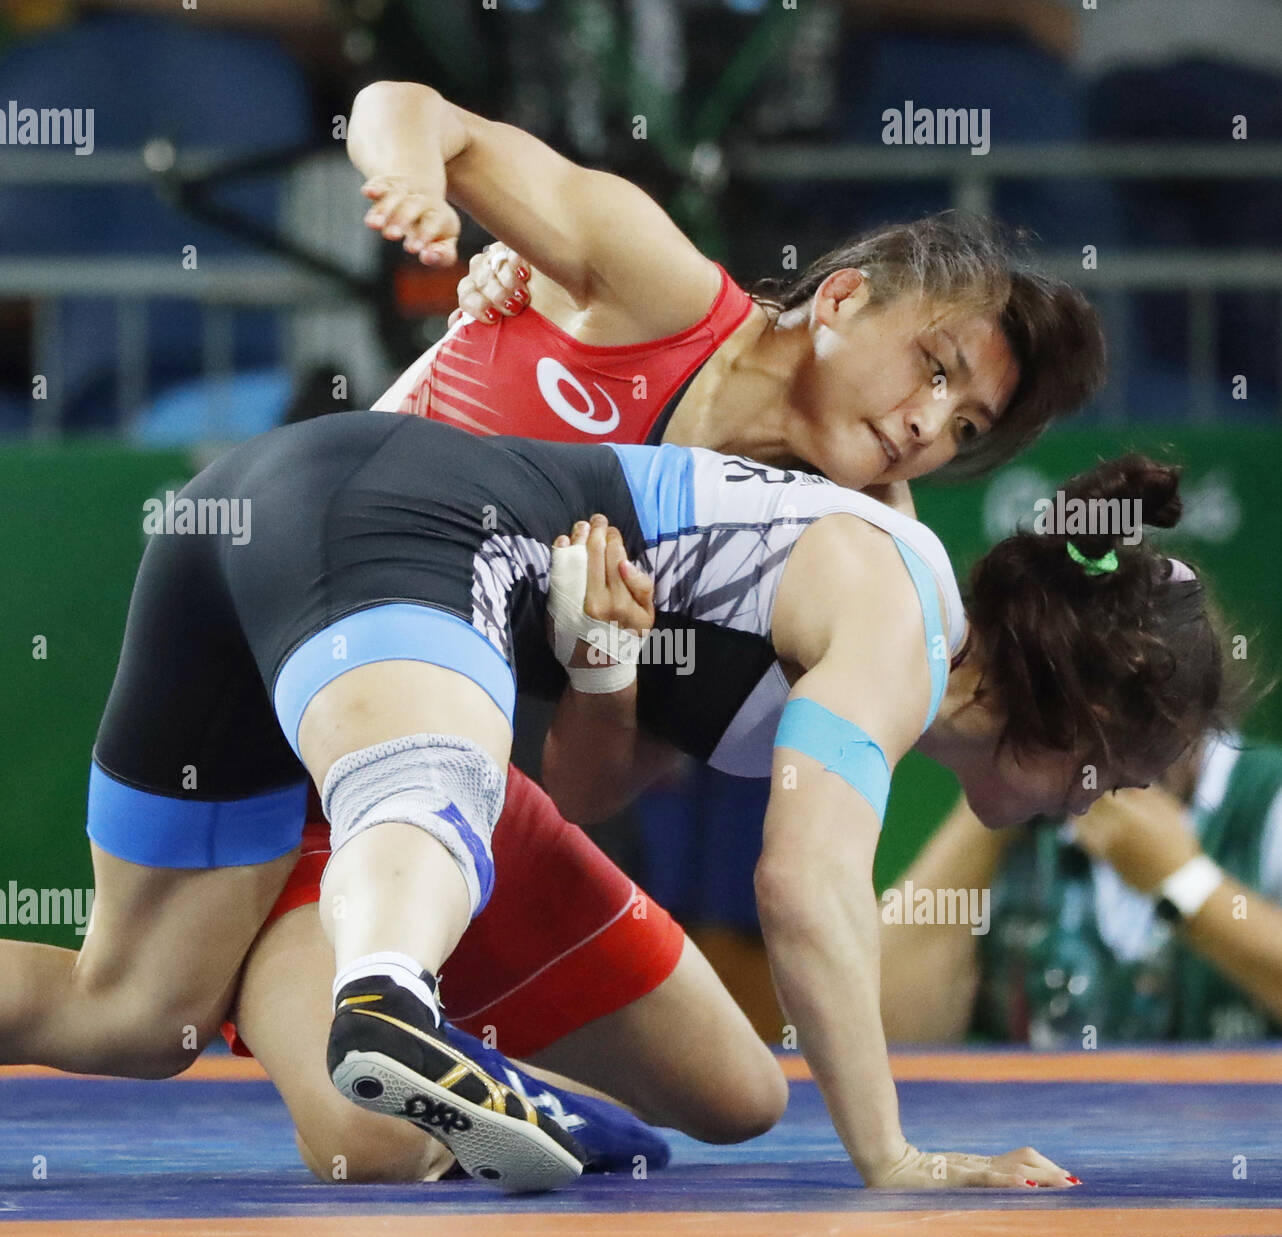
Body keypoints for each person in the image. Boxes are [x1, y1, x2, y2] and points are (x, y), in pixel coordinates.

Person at [218, 79, 1107, 1182]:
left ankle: (489, 1079)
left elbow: (578, 793)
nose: (926, 427)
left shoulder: (831, 536)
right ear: (839, 302)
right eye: (934, 368)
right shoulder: (655, 289)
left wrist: (605, 666)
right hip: (321, 666)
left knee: (739, 1097)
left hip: (469, 781)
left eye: (963, 425)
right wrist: (410, 183)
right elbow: (407, 104)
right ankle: (295, 971)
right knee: (344, 1131)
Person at [4, 397, 1229, 1192]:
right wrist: (894, 1158)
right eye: (1124, 765)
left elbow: (583, 789)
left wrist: (602, 668)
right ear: (1088, 724)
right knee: (424, 797)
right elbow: (805, 886)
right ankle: (387, 996)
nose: (1110, 797)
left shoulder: (866, 618)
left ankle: (419, 1022)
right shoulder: (900, 628)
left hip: (269, 542)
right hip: (379, 520)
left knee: (129, 1013)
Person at [880, 726, 1282, 1046]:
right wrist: (989, 813)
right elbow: (883, 1033)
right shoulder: (1015, 818)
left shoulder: (1267, 798)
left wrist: (1183, 884)